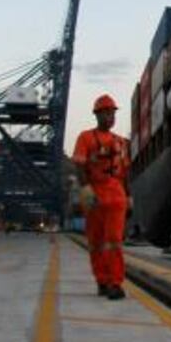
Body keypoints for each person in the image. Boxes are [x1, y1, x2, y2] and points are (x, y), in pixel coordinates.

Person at [73, 94, 131, 300]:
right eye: (106, 113)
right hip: (94, 195)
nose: (110, 116)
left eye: (112, 113)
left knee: (113, 241)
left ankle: (115, 283)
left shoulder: (121, 142)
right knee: (96, 242)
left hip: (116, 194)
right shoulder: (85, 138)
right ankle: (102, 281)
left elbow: (126, 171)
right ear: (97, 115)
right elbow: (79, 165)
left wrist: (129, 195)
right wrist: (85, 189)